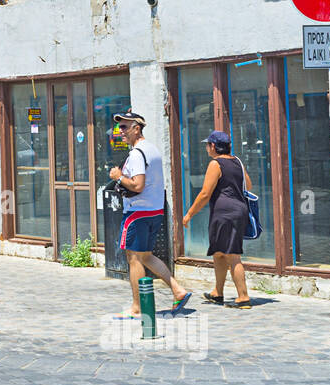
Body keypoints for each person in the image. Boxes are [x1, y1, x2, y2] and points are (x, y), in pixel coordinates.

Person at [107, 110, 191, 317]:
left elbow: (137, 185)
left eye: (125, 127)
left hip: (138, 212)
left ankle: (137, 307)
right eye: (119, 127)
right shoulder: (151, 149)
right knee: (146, 256)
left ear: (137, 128)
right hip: (153, 211)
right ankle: (178, 290)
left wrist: (119, 177)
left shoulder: (137, 153)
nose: (121, 131)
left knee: (134, 258)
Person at [181, 130, 254, 308]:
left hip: (225, 213)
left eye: (207, 145)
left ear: (213, 146)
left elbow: (206, 193)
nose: (206, 148)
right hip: (238, 210)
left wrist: (190, 213)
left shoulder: (216, 164)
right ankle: (217, 292)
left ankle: (243, 297)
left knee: (232, 255)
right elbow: (249, 186)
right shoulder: (237, 162)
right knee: (219, 252)